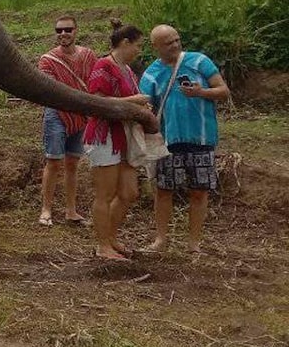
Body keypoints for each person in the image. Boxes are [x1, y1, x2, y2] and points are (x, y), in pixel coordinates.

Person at [140, 25, 229, 253]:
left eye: (177, 39)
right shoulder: (151, 73)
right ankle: (161, 239)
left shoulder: (199, 61)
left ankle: (194, 243)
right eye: (168, 42)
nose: (175, 45)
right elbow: (145, 106)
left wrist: (202, 92)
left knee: (199, 190)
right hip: (167, 140)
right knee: (164, 189)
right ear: (155, 47)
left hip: (201, 138)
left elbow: (223, 91)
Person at [83, 19, 150, 260]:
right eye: (138, 46)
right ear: (124, 43)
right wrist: (135, 101)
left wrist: (139, 104)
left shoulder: (128, 70)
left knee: (129, 192)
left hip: (123, 136)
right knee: (105, 194)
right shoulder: (104, 66)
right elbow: (98, 101)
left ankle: (111, 237)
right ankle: (103, 245)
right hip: (104, 135)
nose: (139, 51)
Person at [37, 15, 95, 226]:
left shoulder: (88, 56)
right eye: (59, 31)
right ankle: (46, 210)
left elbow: (94, 81)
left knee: (73, 163)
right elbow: (49, 88)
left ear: (76, 31)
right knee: (53, 161)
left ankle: (71, 210)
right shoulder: (48, 60)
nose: (63, 34)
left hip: (80, 115)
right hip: (57, 113)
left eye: (68, 30)